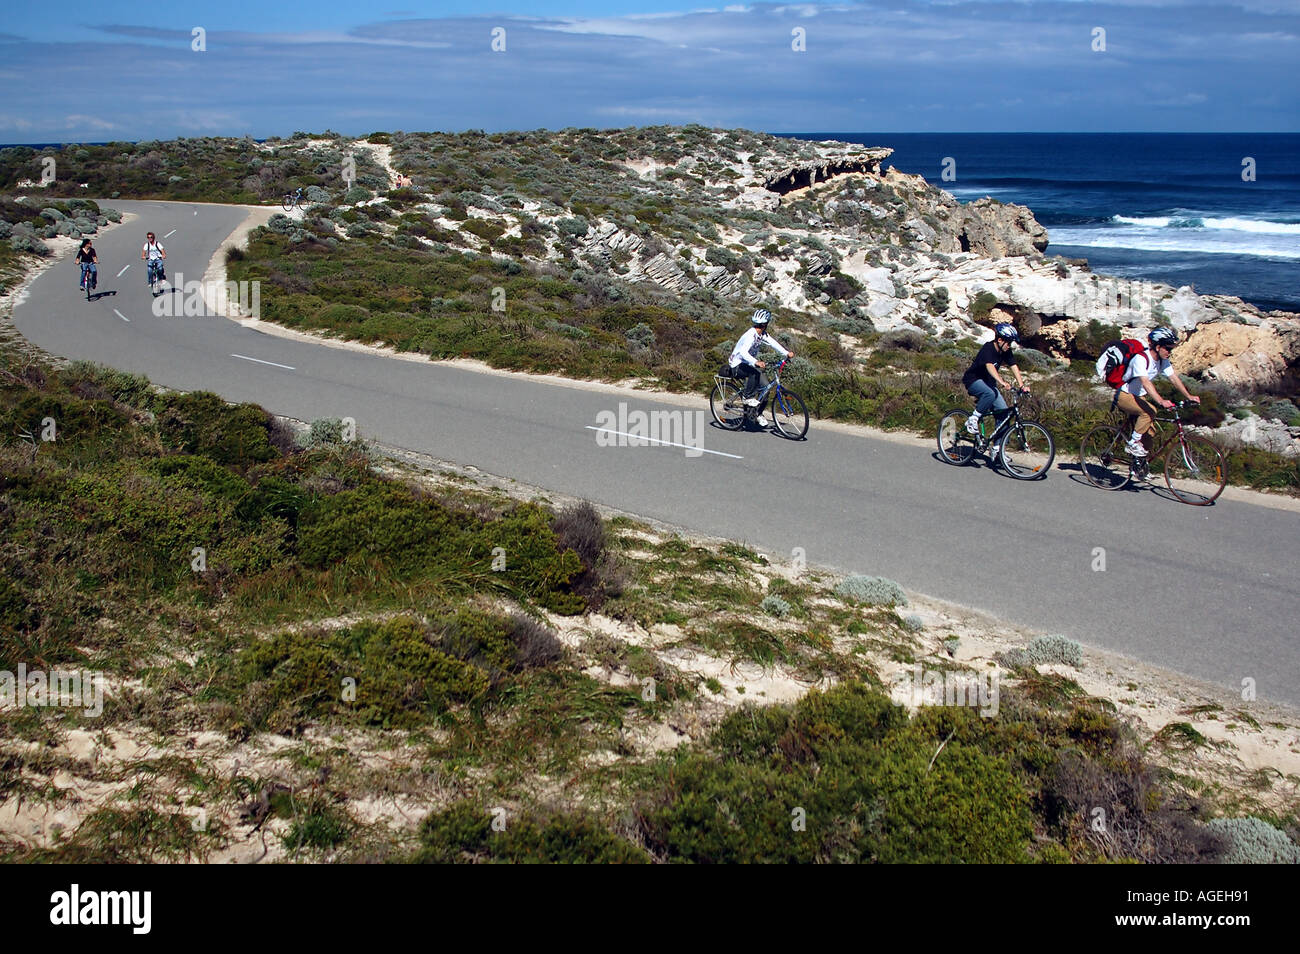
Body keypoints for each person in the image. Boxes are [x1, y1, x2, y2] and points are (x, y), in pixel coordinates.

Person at [1115, 326, 1200, 458]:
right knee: (1150, 412)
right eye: (1168, 348)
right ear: (1158, 347)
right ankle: (1132, 443)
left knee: (1149, 435)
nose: (1169, 352)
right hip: (1125, 395)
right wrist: (1161, 401)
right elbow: (1145, 382)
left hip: (1139, 397)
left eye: (1171, 349)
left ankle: (1140, 466)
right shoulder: (1141, 358)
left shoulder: (1162, 361)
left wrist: (1189, 396)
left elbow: (1174, 378)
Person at [728, 309, 794, 427]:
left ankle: (758, 414)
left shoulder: (762, 334)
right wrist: (756, 361)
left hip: (748, 364)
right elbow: (743, 352)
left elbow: (773, 343)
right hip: (737, 364)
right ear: (765, 324)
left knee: (766, 388)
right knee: (754, 372)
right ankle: (747, 397)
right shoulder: (751, 335)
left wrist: (786, 353)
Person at [962, 322, 1027, 435]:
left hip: (988, 384)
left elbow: (1014, 366)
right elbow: (990, 366)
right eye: (1008, 342)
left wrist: (1022, 386)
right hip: (973, 380)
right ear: (1000, 340)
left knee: (1004, 414)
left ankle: (997, 449)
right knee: (990, 394)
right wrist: (1002, 382)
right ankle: (973, 420)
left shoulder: (1005, 351)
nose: (1009, 345)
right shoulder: (988, 348)